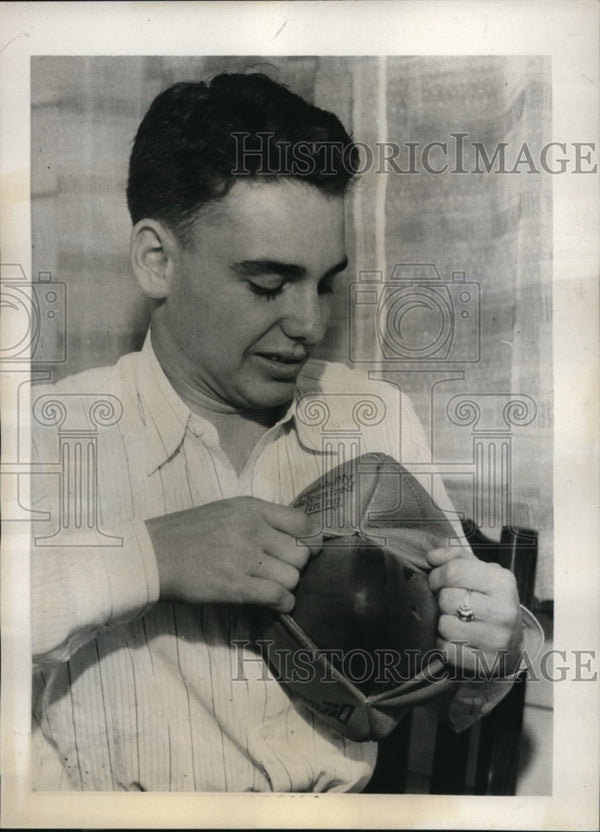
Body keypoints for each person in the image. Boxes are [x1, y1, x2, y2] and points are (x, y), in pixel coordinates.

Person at [31, 72, 537, 792]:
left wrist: (495, 639)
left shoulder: (377, 420)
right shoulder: (53, 434)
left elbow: (456, 670)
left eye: (324, 283)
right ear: (157, 261)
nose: (309, 323)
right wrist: (148, 558)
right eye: (269, 284)